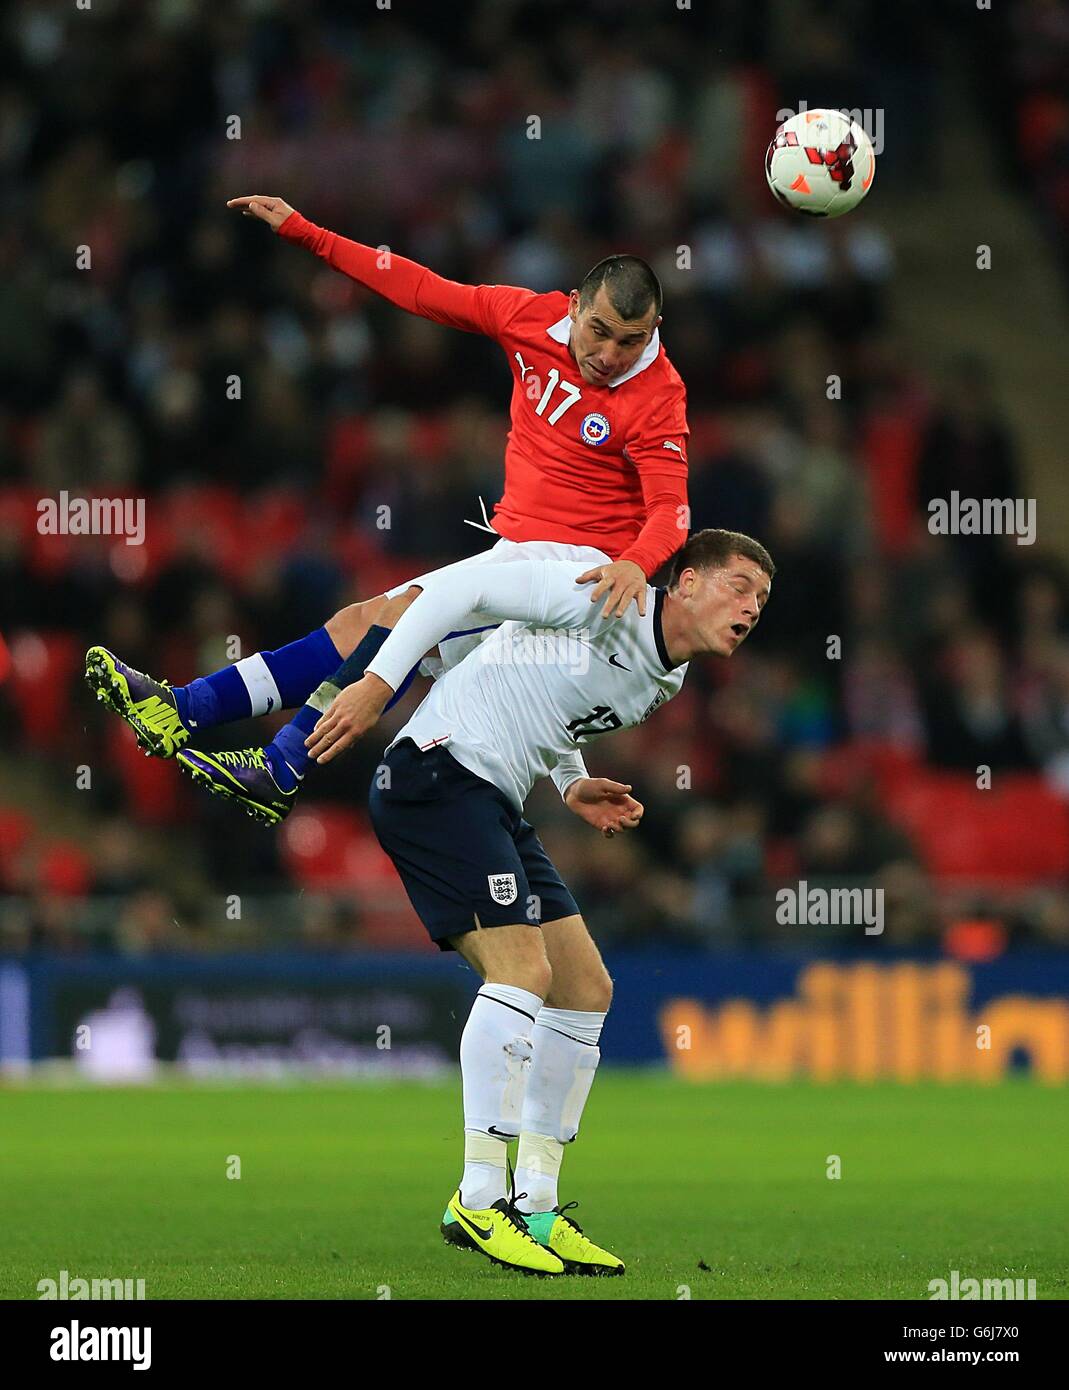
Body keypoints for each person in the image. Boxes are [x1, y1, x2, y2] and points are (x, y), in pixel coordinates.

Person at [85, 194, 691, 826]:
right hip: (518, 559)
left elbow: (672, 513)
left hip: (580, 579)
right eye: (600, 332)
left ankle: (279, 763)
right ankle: (187, 711)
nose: (612, 354)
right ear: (573, 307)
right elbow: (419, 288)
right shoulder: (529, 318)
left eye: (632, 340)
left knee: (401, 621)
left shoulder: (658, 397)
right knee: (361, 624)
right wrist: (308, 234)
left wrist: (634, 564)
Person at [330, 528, 773, 1275]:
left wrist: (569, 782)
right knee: (521, 973)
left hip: (492, 799)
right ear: (686, 582)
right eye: (739, 586)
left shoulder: (664, 679)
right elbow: (459, 591)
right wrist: (381, 682)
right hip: (436, 776)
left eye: (762, 598)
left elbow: (544, 701)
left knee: (585, 988)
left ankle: (534, 1206)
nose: (752, 607)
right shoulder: (602, 593)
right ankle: (477, 1197)